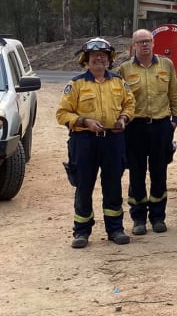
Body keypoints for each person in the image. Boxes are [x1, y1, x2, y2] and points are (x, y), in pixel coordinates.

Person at [56, 37, 135, 248]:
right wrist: (84, 121)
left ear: (109, 59)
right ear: (86, 59)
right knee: (84, 186)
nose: (99, 59)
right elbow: (62, 114)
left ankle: (115, 229)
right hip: (84, 141)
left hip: (113, 140)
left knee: (113, 185)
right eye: (94, 56)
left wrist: (123, 119)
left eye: (103, 56)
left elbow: (130, 104)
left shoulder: (118, 82)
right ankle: (81, 232)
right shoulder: (76, 84)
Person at [118, 29, 177, 236]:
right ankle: (138, 218)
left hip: (161, 126)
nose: (145, 45)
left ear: (153, 43)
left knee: (159, 172)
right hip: (134, 127)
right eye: (140, 42)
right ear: (134, 45)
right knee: (136, 173)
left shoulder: (166, 65)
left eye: (147, 41)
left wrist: (174, 122)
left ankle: (158, 217)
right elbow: (120, 99)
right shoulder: (124, 69)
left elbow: (175, 94)